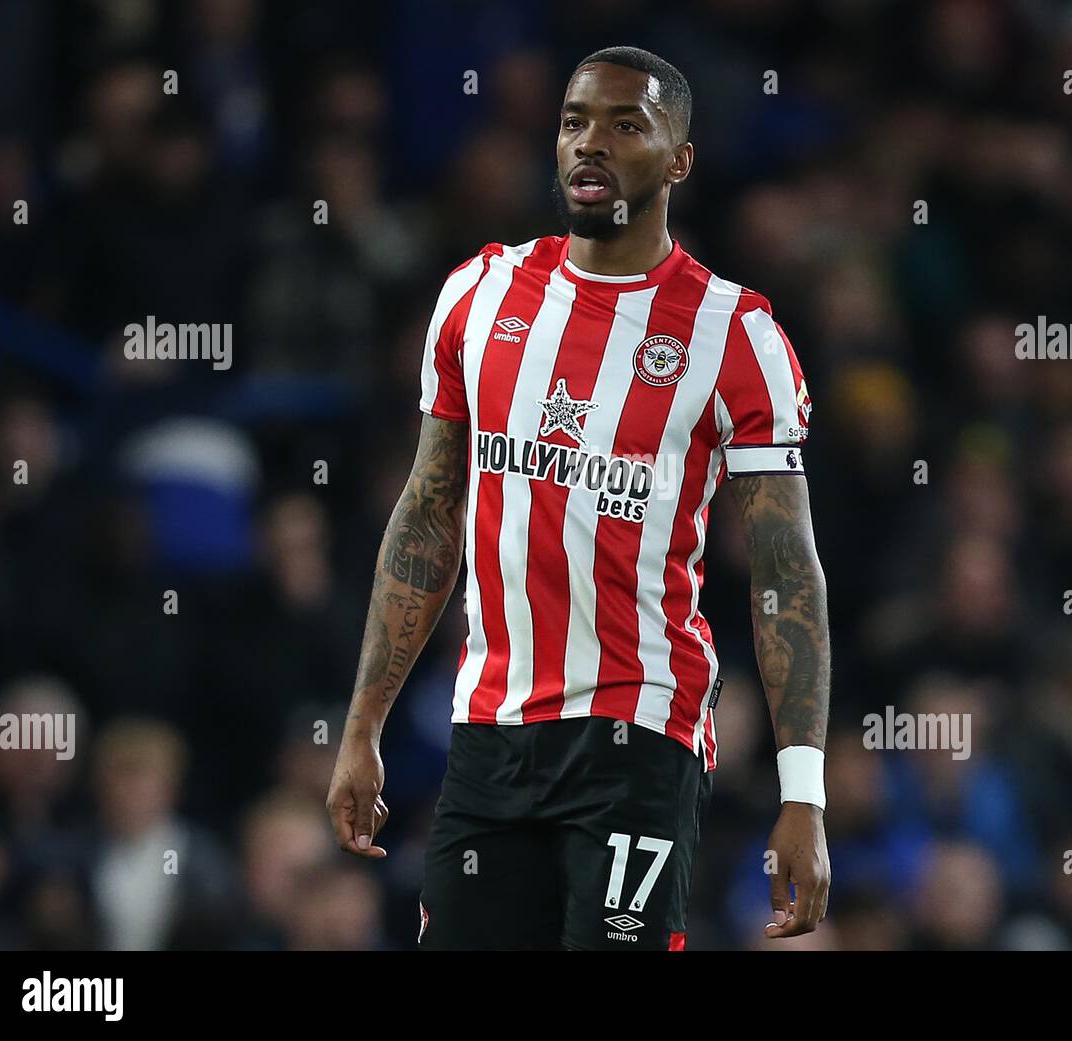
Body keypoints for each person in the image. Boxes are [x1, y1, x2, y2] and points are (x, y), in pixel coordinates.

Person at [326, 45, 830, 951]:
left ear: (679, 159)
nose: (589, 144)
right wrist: (363, 723)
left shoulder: (737, 335)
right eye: (574, 122)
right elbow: (430, 513)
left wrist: (803, 791)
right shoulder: (477, 295)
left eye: (625, 125)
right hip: (488, 730)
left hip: (639, 735)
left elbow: (787, 573)